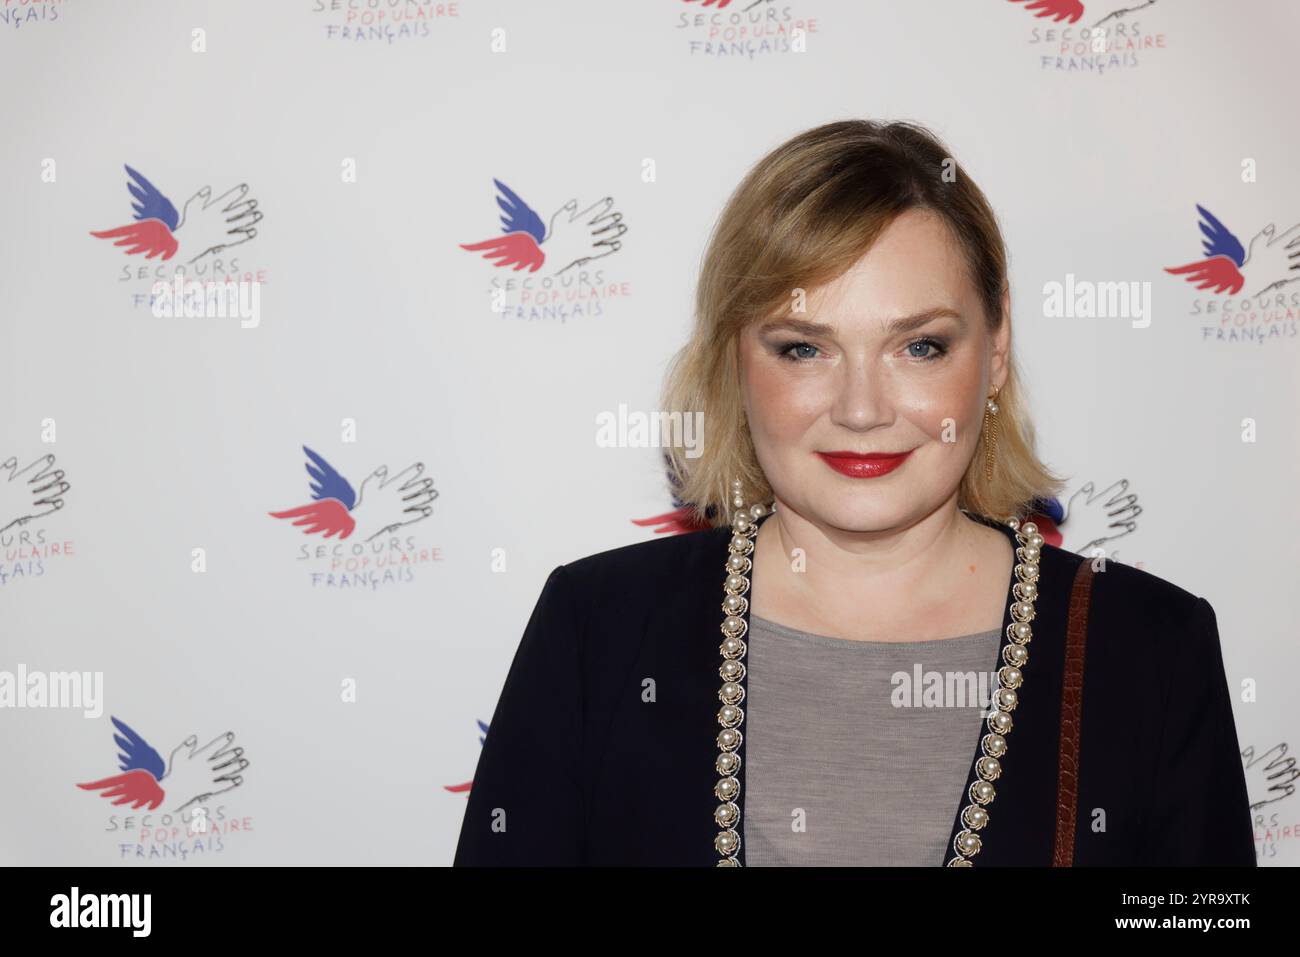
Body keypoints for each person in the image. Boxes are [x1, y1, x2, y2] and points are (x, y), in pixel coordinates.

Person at [453, 119, 1256, 867]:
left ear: (997, 346)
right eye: (804, 348)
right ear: (736, 359)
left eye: (919, 345)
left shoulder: (1150, 648)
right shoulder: (598, 629)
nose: (863, 409)